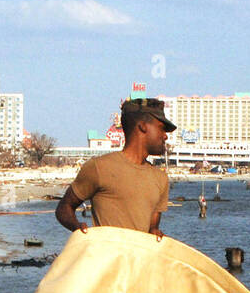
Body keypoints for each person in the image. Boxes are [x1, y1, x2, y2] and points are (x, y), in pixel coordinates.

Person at [55, 98, 173, 239]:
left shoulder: (160, 178)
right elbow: (64, 208)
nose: (165, 136)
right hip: (107, 258)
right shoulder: (99, 168)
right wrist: (77, 228)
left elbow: (152, 228)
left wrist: (154, 232)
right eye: (161, 128)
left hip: (139, 260)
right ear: (142, 127)